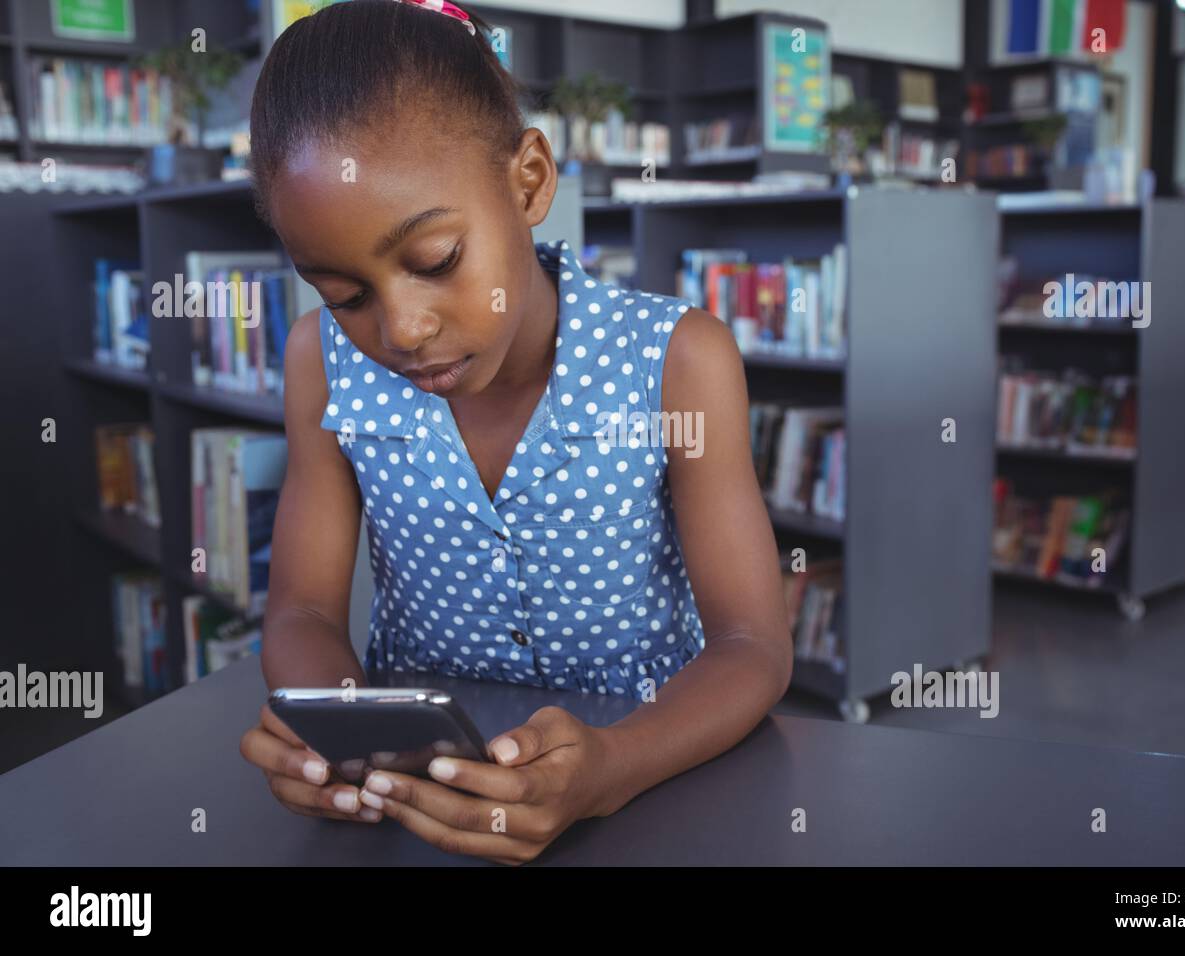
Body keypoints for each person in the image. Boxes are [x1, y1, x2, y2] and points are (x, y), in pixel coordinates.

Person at [237, 0, 791, 865]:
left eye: (435, 262)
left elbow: (751, 647)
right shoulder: (320, 362)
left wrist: (613, 763)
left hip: (656, 786)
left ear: (529, 179)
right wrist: (339, 730)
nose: (402, 330)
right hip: (425, 805)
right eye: (345, 295)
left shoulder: (677, 358)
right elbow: (304, 605)